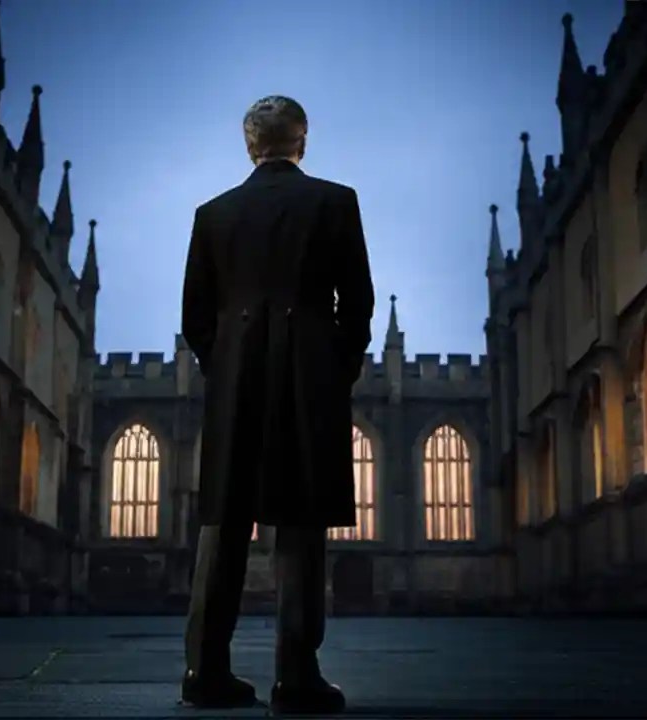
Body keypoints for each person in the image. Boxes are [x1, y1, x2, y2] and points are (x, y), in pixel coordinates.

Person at [179, 95, 375, 714]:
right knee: (300, 524)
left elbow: (195, 317)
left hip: (237, 380)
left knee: (224, 524)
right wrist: (334, 367)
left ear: (248, 145)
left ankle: (204, 671)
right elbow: (359, 305)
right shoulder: (334, 201)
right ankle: (297, 676)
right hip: (308, 377)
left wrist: (228, 365)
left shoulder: (213, 214)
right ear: (303, 141)